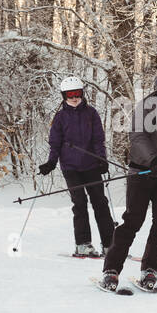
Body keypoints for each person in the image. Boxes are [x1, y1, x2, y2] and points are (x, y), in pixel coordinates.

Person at [100, 62, 157, 291]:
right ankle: (111, 270)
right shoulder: (148, 105)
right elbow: (138, 135)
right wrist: (153, 159)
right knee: (133, 221)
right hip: (143, 172)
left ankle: (150, 269)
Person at [39, 76, 116, 257]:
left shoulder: (91, 113)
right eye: (70, 94)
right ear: (64, 96)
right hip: (71, 168)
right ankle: (83, 244)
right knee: (80, 204)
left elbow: (98, 139)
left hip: (91, 166)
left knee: (101, 203)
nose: (74, 98)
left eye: (77, 94)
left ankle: (110, 244)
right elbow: (55, 143)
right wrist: (51, 163)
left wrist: (101, 160)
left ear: (82, 93)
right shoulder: (60, 118)